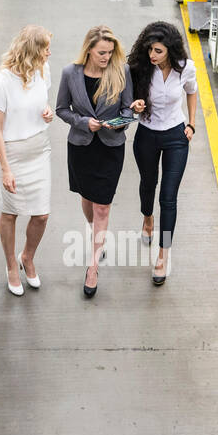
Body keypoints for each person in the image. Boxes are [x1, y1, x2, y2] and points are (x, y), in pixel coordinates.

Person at [55, 25, 144, 298]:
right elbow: (61, 109)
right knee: (87, 199)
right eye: (102, 53)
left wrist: (125, 118)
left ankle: (93, 267)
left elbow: (127, 109)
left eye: (110, 52)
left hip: (110, 147)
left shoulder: (122, 71)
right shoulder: (70, 73)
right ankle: (97, 233)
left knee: (102, 206)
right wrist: (84, 123)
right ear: (89, 51)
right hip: (81, 147)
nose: (107, 57)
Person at [128, 20, 198, 285]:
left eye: (157, 51)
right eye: (149, 50)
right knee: (148, 185)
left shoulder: (186, 69)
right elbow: (128, 101)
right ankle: (147, 218)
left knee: (168, 197)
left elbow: (192, 93)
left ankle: (163, 253)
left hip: (175, 136)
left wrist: (191, 123)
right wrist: (134, 106)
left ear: (169, 49)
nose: (152, 55)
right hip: (146, 134)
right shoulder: (141, 69)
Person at [0, 25, 55, 296]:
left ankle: (27, 256)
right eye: (46, 48)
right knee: (10, 213)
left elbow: (42, 103)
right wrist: (6, 168)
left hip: (39, 150)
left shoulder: (43, 71)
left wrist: (47, 113)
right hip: (13, 154)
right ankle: (11, 267)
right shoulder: (2, 82)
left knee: (41, 214)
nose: (50, 53)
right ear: (32, 51)